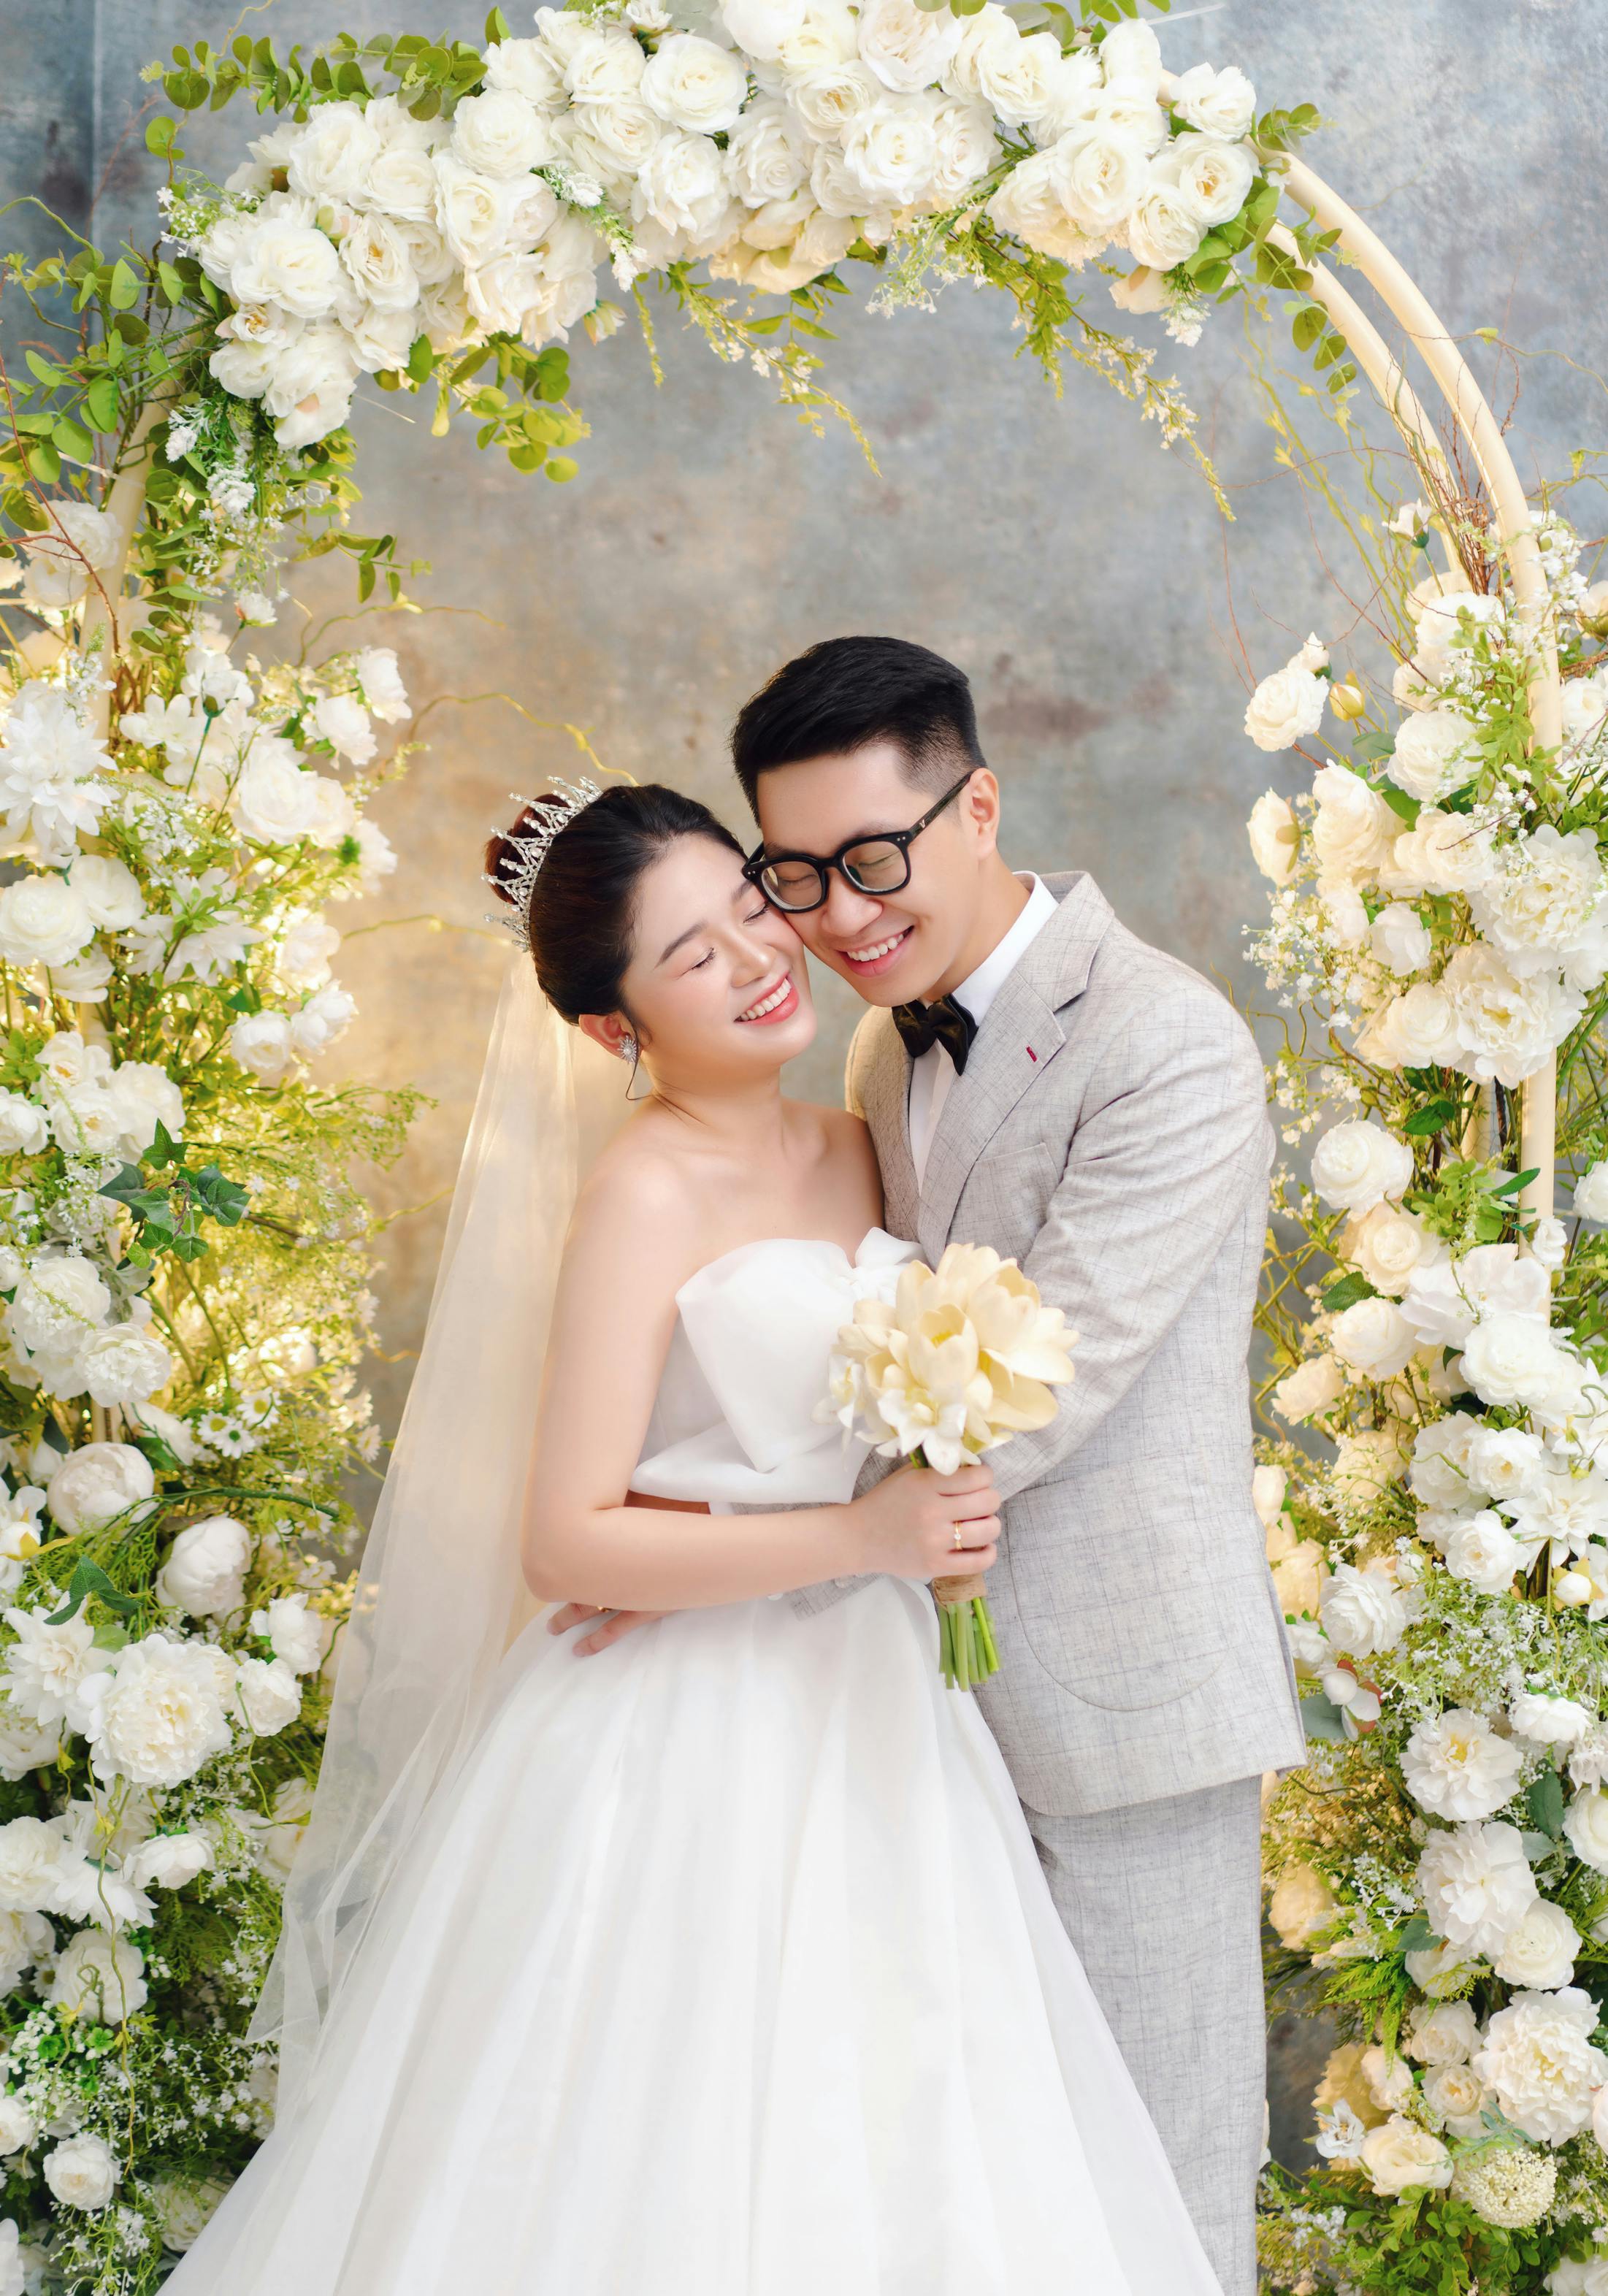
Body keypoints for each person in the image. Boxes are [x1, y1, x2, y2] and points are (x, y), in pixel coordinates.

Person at [165, 777, 1223, 2295]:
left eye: (750, 904)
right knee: (673, 2126)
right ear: (614, 1032)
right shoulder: (643, 1191)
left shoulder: (864, 1129)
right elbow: (569, 1543)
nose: (758, 955)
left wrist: (902, 1518)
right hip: (685, 1731)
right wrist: (865, 1539)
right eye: (694, 955)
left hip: (879, 1705)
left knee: (912, 2101)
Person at [554, 639, 1307, 2296]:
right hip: (907, 1724)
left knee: (1154, 2197)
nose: (836, 916)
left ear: (978, 804)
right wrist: (693, 1527)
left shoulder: (1169, 1046)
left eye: (874, 860)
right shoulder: (881, 1051)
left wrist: (724, 1529)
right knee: (961, 2208)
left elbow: (1042, 1379)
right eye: (796, 874)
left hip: (1118, 1714)